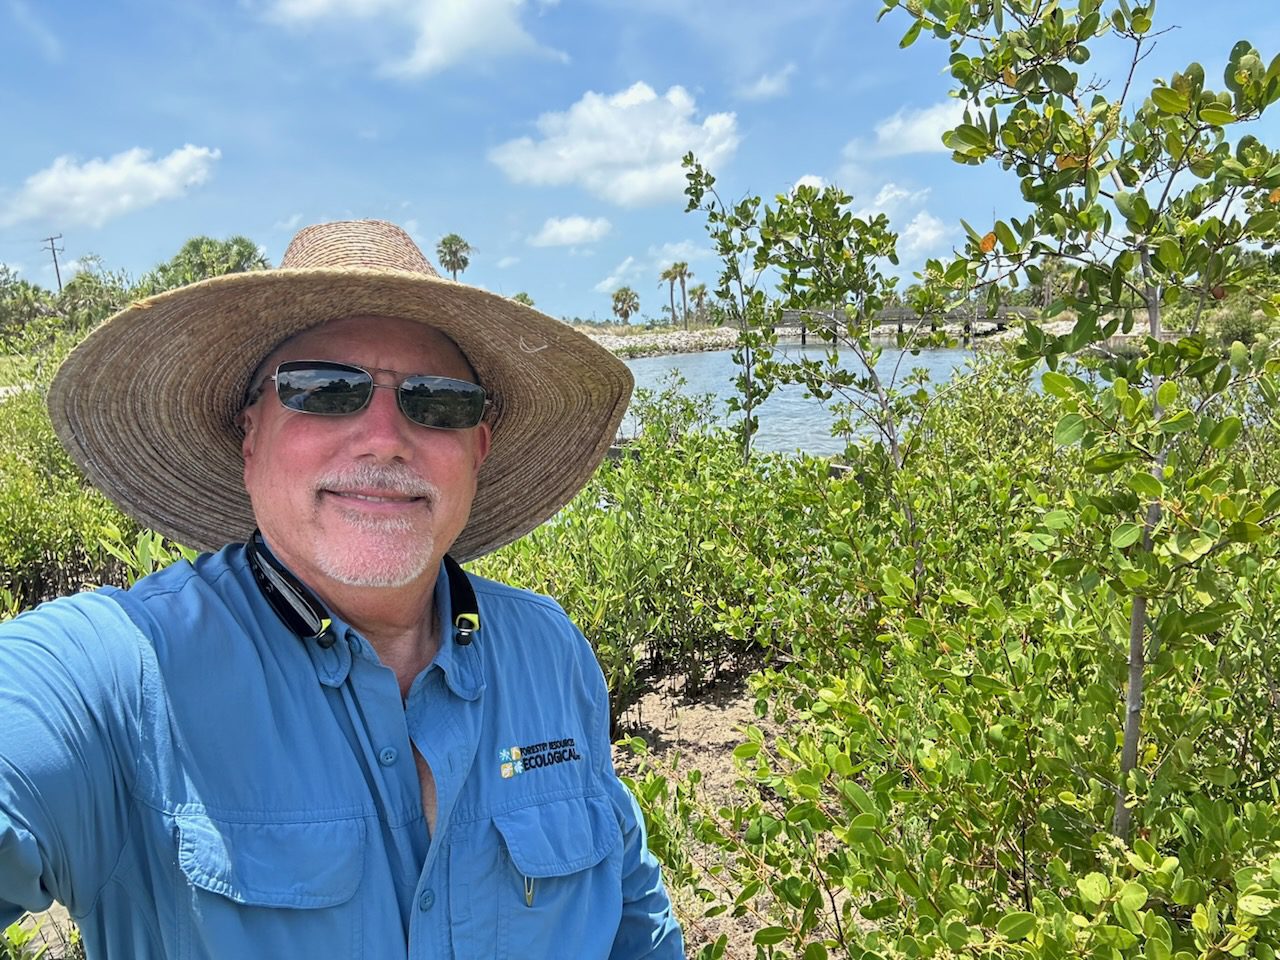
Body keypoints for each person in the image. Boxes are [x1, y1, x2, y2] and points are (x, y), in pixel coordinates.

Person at [0, 220, 685, 958]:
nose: (385, 435)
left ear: (477, 449)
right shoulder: (122, 671)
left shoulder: (550, 649)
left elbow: (630, 913)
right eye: (325, 391)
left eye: (439, 402)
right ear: (250, 435)